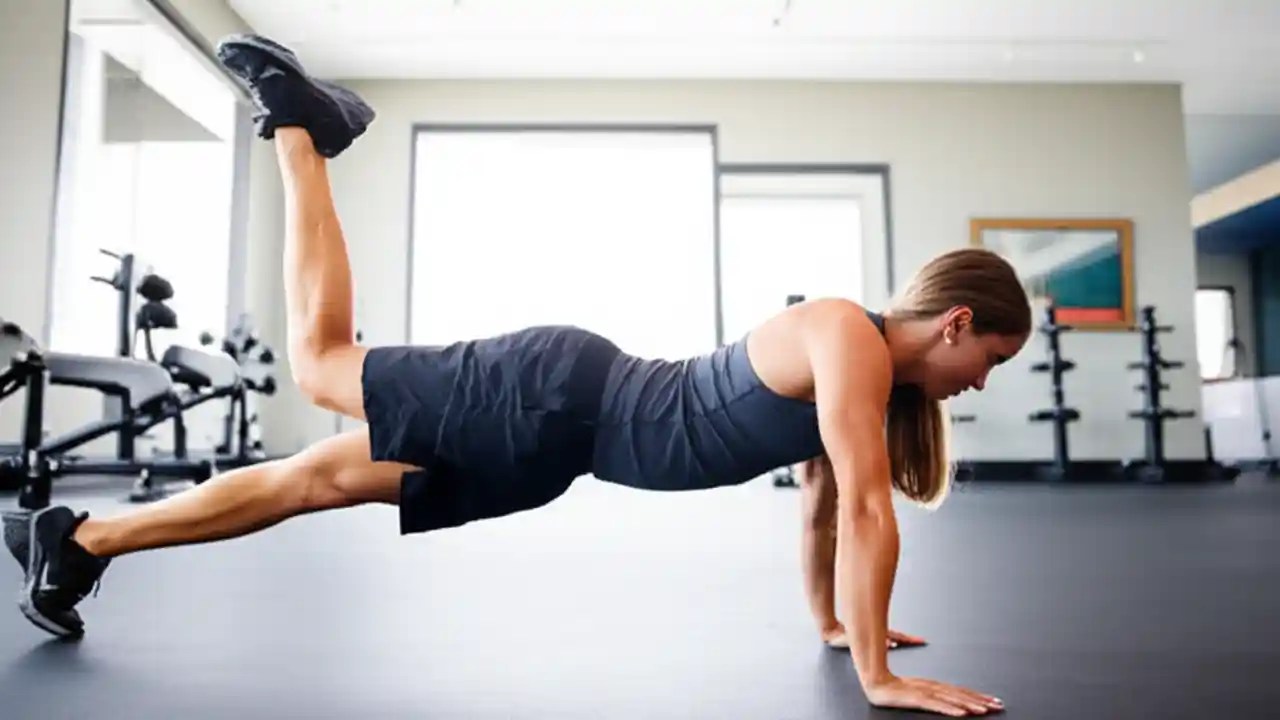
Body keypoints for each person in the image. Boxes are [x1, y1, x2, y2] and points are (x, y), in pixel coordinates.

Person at [4, 34, 1030, 718]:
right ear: (953, 323)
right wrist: (876, 674)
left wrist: (831, 624)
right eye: (985, 361)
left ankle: (78, 539)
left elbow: (816, 513)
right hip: (555, 395)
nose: (975, 386)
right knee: (320, 366)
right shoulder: (845, 337)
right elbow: (860, 510)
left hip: (550, 446)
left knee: (312, 481)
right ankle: (297, 128)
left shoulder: (858, 380)